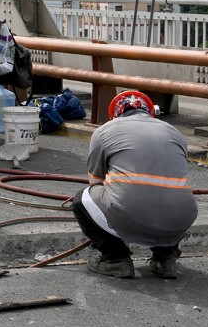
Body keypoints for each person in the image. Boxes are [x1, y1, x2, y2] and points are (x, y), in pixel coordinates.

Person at [71, 90, 197, 279]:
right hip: (181, 217)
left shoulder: (104, 131)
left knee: (82, 199)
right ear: (150, 111)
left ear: (115, 114)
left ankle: (115, 259)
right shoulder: (175, 132)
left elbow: (96, 182)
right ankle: (166, 259)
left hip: (131, 214)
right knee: (173, 194)